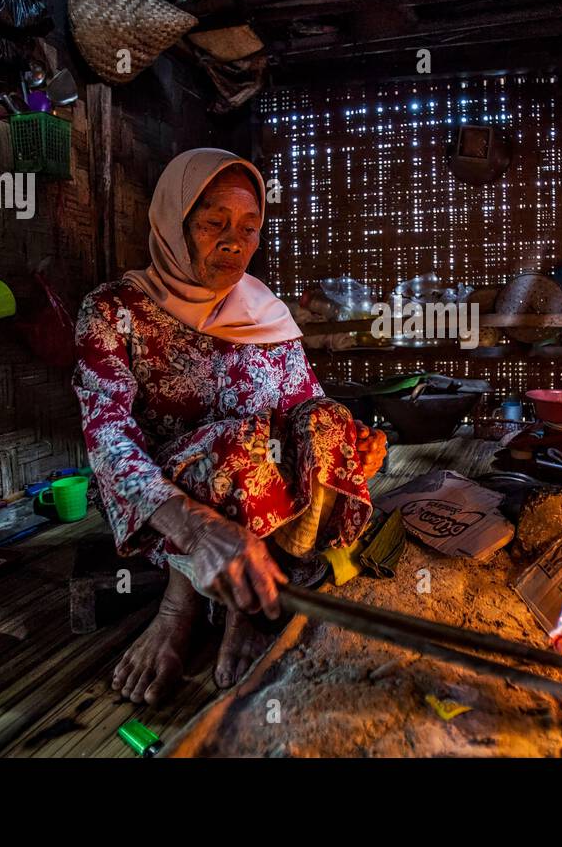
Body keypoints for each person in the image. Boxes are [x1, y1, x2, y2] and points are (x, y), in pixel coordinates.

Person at [72, 148, 387, 703]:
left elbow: (305, 405)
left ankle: (252, 600)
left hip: (266, 494)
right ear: (174, 223)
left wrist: (355, 445)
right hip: (168, 507)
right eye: (213, 223)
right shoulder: (115, 310)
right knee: (241, 446)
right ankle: (181, 603)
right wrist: (198, 529)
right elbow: (108, 438)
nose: (234, 241)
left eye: (248, 226)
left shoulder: (264, 307)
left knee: (330, 422)